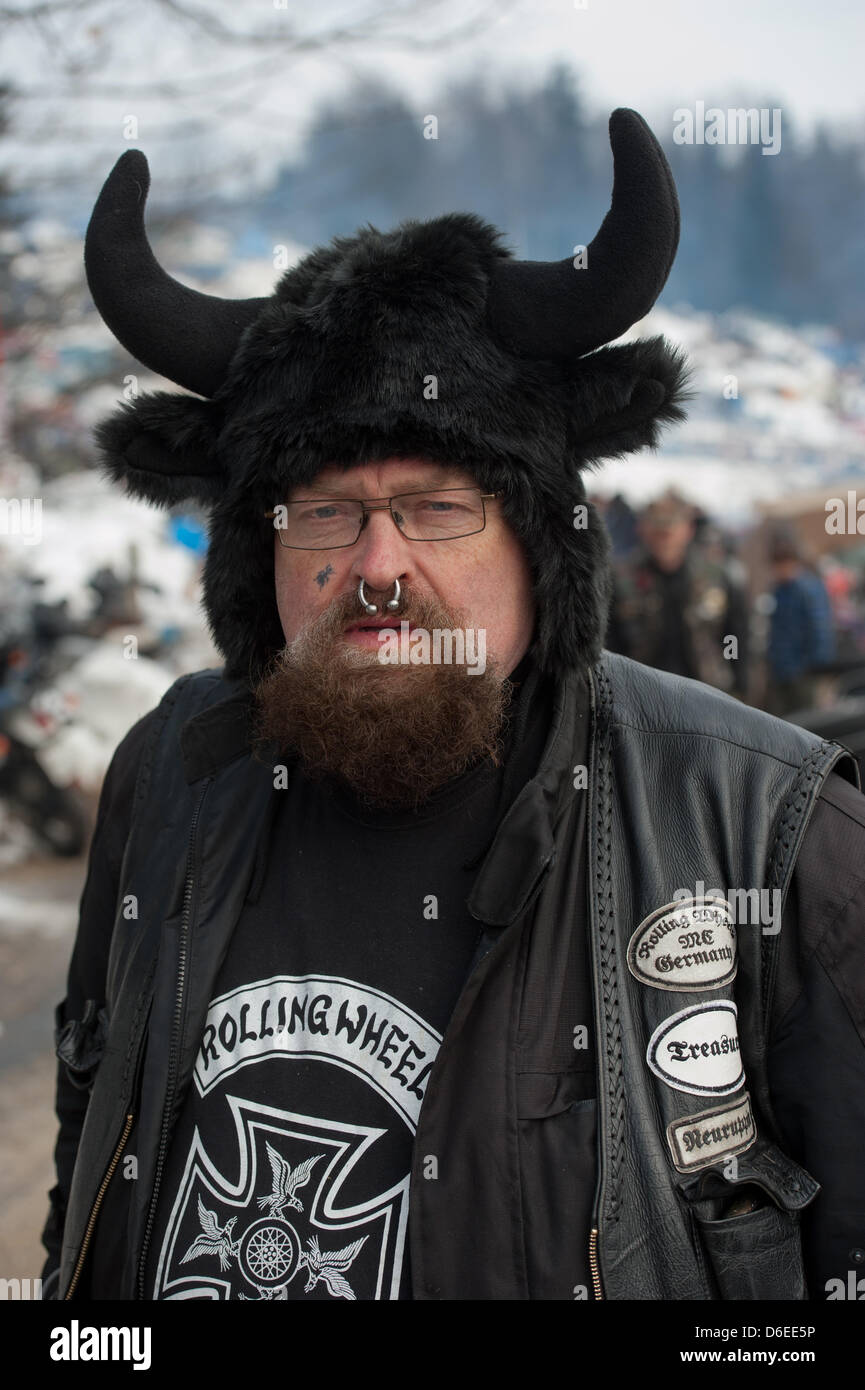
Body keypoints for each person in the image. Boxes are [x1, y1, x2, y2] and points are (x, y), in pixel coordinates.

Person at [41, 109, 865, 1302]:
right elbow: (91, 1128)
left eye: (436, 507)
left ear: (538, 542)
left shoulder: (765, 828)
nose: (376, 563)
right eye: (323, 511)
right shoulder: (169, 768)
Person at [607, 489, 750, 697]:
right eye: (658, 533)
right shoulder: (622, 580)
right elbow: (611, 640)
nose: (665, 541)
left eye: (669, 533)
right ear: (643, 530)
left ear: (688, 530)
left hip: (707, 693)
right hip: (643, 694)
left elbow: (735, 632)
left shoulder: (716, 577)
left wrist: (738, 682)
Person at [766, 527, 836, 715]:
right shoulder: (778, 590)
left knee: (808, 719)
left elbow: (819, 627)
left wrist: (817, 665)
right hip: (783, 668)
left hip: (804, 670)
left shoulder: (808, 589)